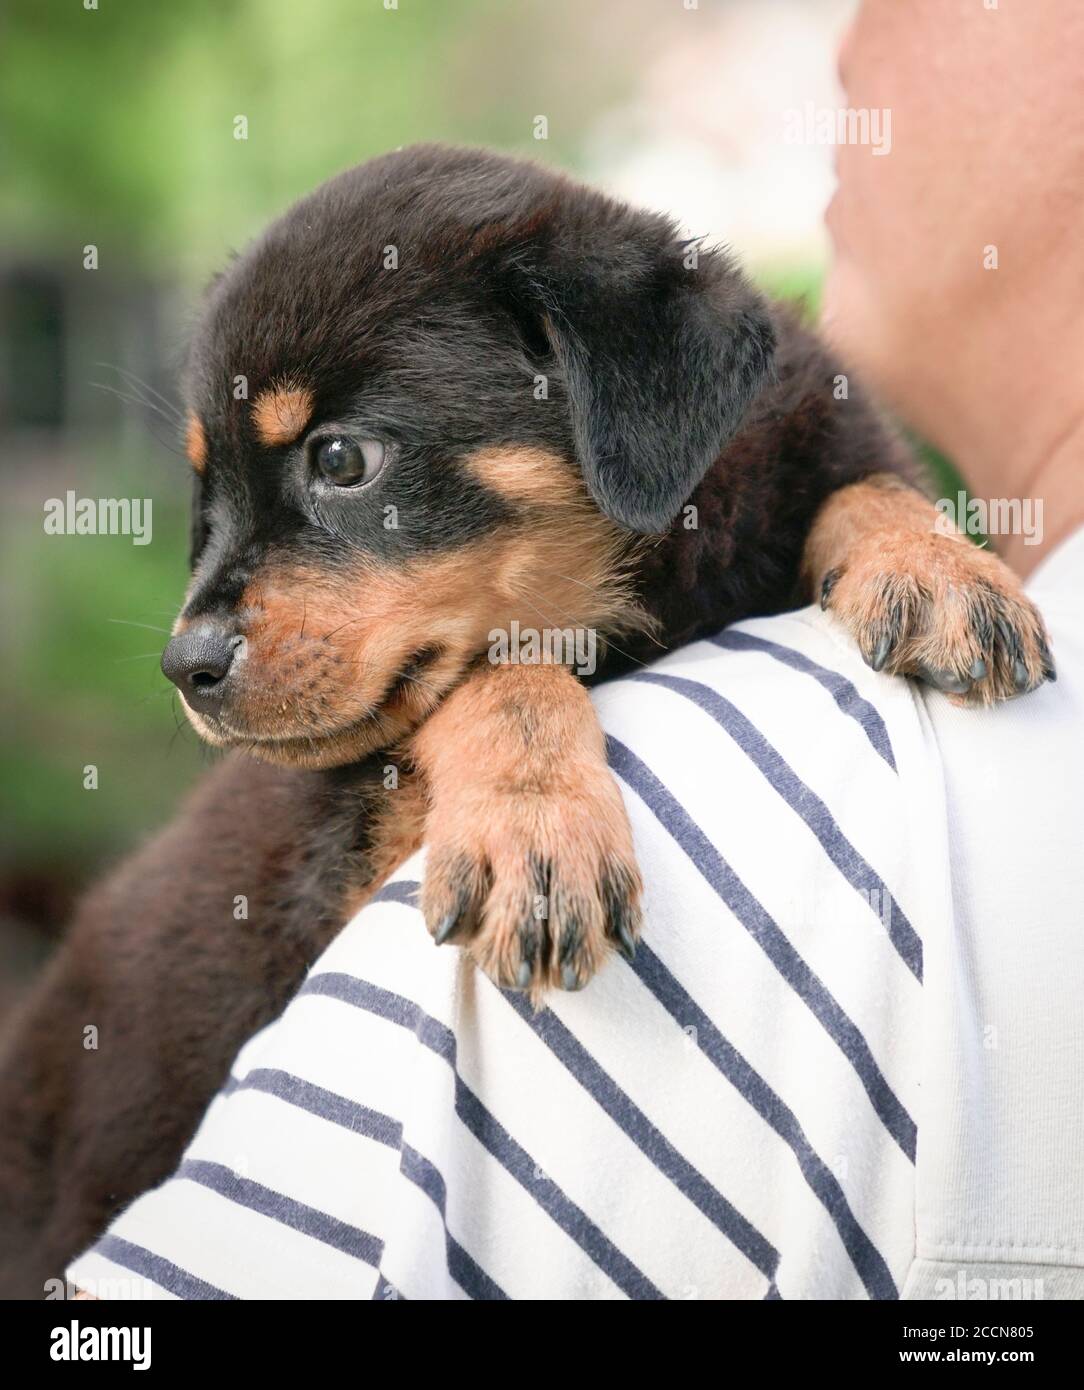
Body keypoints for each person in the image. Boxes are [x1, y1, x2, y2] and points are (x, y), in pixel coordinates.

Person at [67, 0, 1083, 1300]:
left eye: (340, 463)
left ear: (628, 395)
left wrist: (884, 524)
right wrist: (504, 715)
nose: (198, 632)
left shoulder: (797, 461)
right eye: (217, 512)